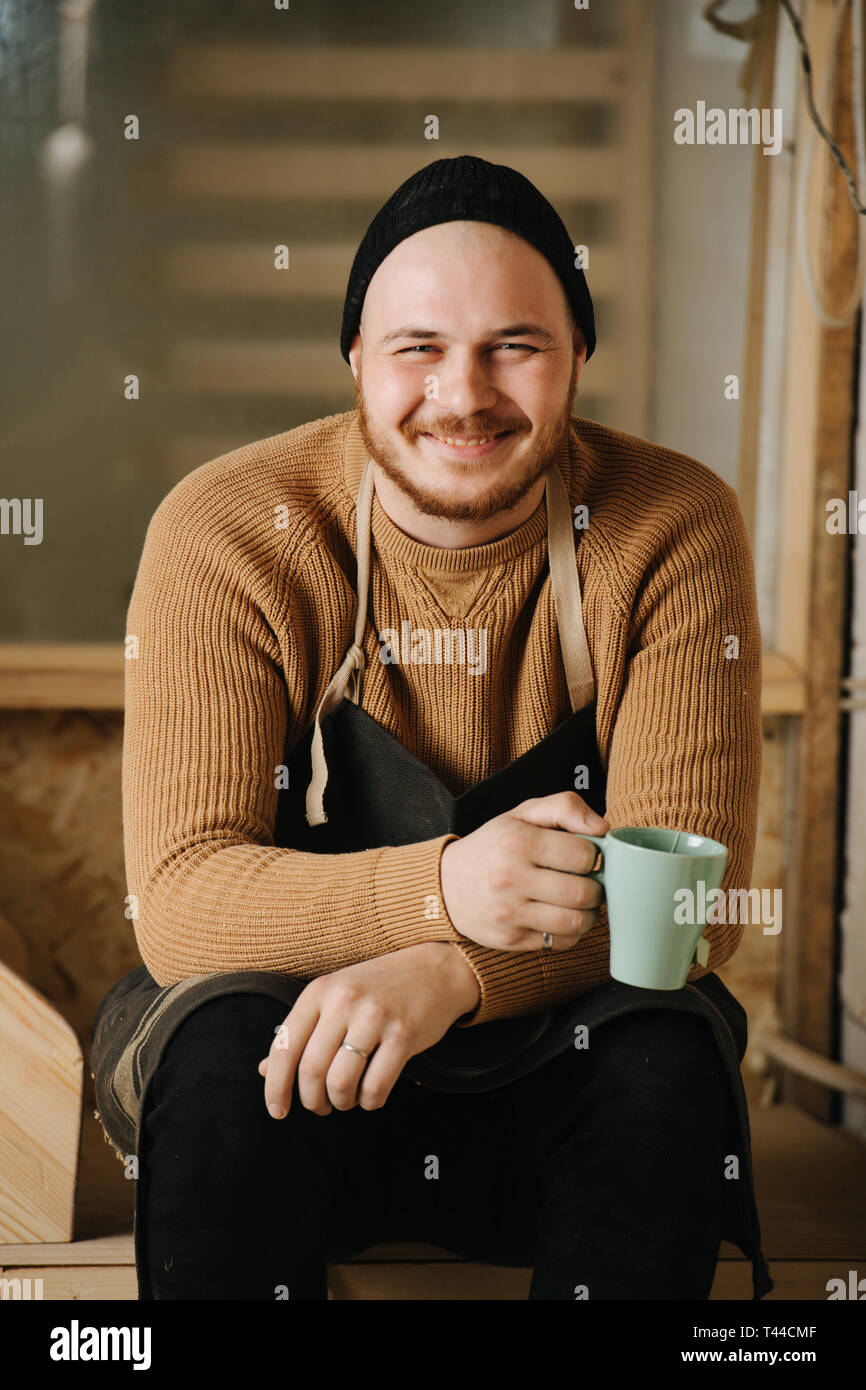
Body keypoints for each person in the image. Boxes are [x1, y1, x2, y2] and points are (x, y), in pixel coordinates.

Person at [91, 155, 773, 1301]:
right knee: (213, 1047)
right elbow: (181, 898)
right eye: (417, 348)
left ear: (577, 362)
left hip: (556, 1091)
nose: (464, 394)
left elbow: (682, 913)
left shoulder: (672, 523)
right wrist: (441, 891)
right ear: (355, 357)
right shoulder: (229, 528)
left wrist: (448, 971)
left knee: (660, 1053)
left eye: (515, 344)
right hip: (311, 1079)